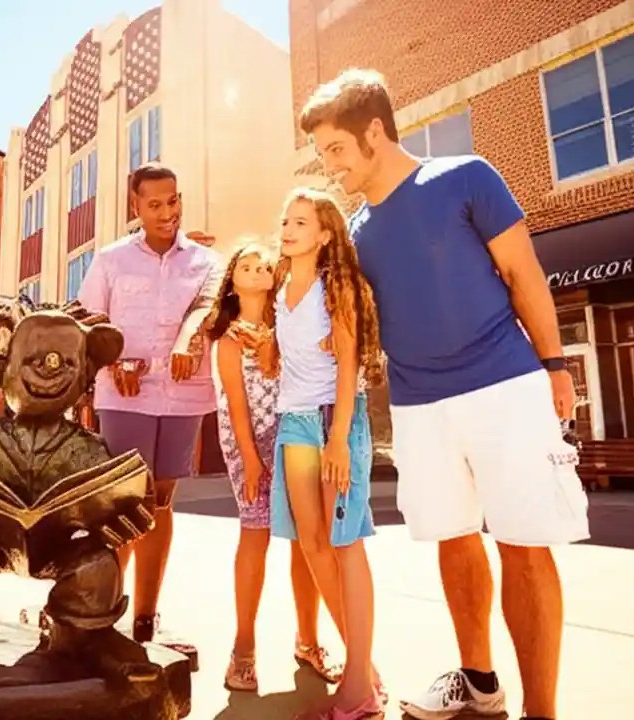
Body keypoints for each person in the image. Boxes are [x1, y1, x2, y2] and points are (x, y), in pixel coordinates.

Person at [298, 68, 591, 720]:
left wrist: (556, 364)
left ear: (374, 131)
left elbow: (523, 274)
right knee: (455, 539)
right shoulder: (358, 232)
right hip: (419, 405)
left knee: (524, 542)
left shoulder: (466, 177)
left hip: (505, 385)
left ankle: (542, 711)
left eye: (336, 150)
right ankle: (479, 685)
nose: (331, 167)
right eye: (322, 156)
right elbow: (345, 321)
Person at [244, 188, 384, 720]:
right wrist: (261, 344)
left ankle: (358, 690)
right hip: (293, 421)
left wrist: (341, 438)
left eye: (300, 222)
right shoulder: (281, 287)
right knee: (312, 544)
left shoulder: (338, 284)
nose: (287, 229)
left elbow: (348, 364)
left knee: (345, 544)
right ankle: (363, 669)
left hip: (333, 419)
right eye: (285, 220)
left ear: (325, 234)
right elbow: (283, 358)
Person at [76, 162, 221, 643]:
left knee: (160, 502)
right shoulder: (110, 260)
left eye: (173, 200)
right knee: (124, 504)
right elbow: (89, 326)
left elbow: (209, 307)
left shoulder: (203, 261)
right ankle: (101, 611)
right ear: (134, 206)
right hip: (125, 398)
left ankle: (146, 616)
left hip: (184, 397)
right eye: (155, 204)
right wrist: (114, 361)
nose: (167, 212)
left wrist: (186, 341)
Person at [202, 240, 341, 692]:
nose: (258, 268)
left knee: (306, 537)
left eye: (264, 264)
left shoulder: (286, 327)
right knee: (255, 533)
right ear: (233, 281)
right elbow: (236, 406)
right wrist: (251, 459)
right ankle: (243, 649)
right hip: (249, 443)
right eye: (247, 264)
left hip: (294, 434)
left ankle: (309, 640)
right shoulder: (226, 339)